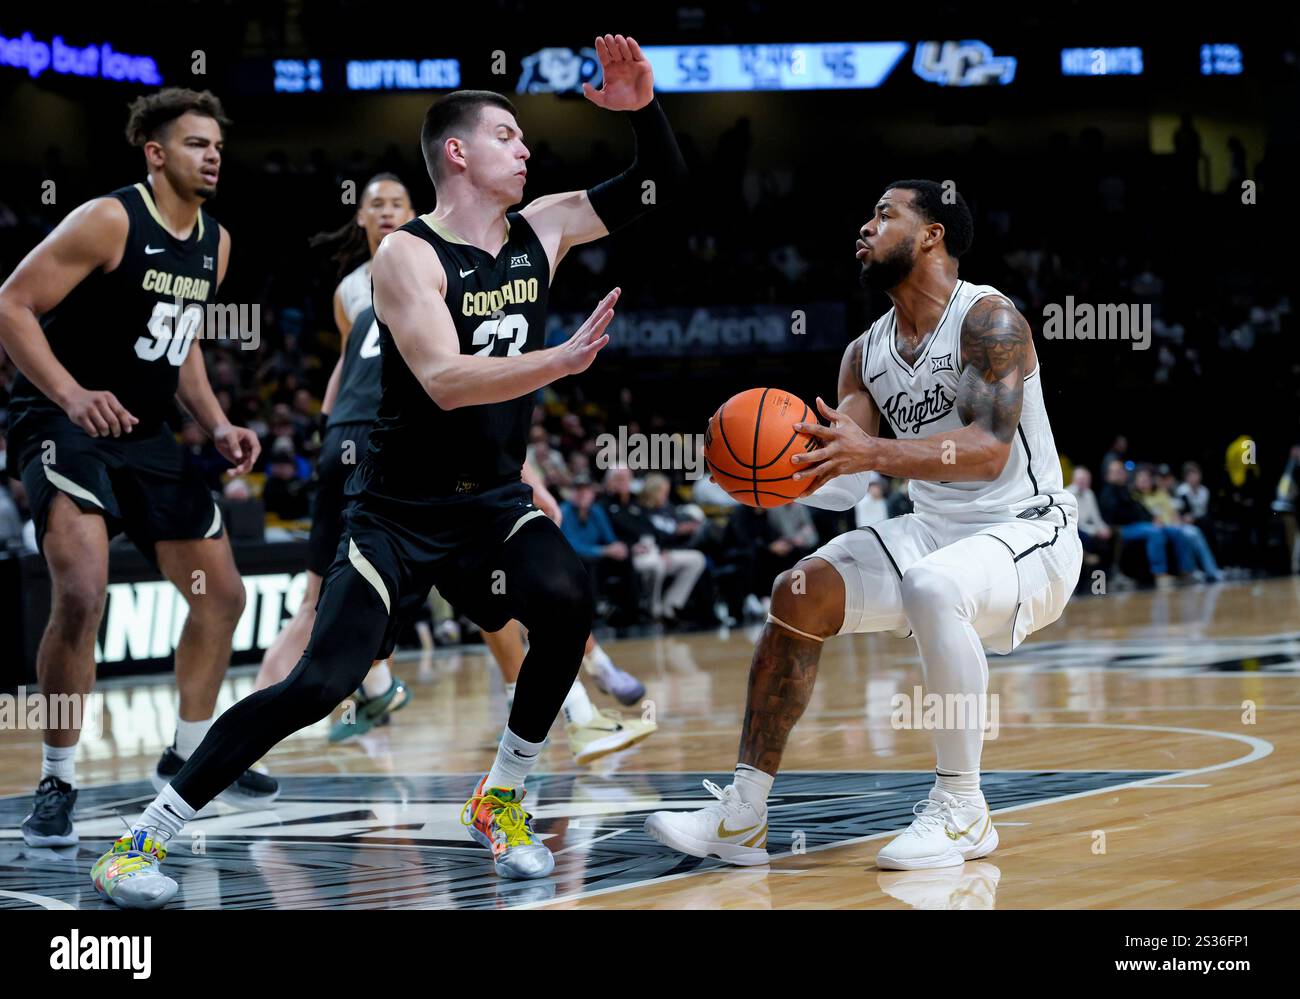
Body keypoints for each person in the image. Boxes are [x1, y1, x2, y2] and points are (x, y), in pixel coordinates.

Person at [90, 34, 686, 906]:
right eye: (508, 136)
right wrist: (558, 362)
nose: (527, 148)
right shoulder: (406, 254)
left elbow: (656, 187)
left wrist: (645, 111)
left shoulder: (545, 227)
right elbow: (445, 380)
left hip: (490, 504)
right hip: (396, 516)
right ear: (458, 152)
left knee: (568, 595)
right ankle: (145, 835)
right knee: (317, 684)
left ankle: (504, 796)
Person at [645, 179, 1082, 871]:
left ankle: (963, 808)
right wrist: (768, 474)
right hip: (935, 531)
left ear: (933, 233)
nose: (865, 226)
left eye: (885, 215)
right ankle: (743, 813)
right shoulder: (863, 352)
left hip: (1030, 529)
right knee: (797, 591)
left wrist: (871, 452)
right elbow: (846, 478)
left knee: (935, 586)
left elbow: (987, 450)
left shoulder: (988, 320)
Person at [0, 88, 277, 850]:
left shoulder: (215, 242)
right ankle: (57, 777)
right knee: (82, 590)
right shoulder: (110, 218)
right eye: (195, 143)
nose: (212, 155)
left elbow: (181, 343)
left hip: (148, 434)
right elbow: (12, 304)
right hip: (64, 421)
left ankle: (186, 759)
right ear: (155, 154)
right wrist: (71, 394)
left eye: (216, 144)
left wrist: (217, 423)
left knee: (221, 596)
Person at [254, 174, 416, 737]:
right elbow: (350, 363)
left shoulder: (427, 262)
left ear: (414, 212)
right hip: (365, 434)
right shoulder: (351, 288)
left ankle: (371, 688)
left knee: (331, 589)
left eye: (399, 203)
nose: (389, 211)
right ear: (362, 218)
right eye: (378, 205)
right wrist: (328, 429)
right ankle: (369, 687)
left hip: (363, 435)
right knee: (368, 578)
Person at [1098, 459, 1190, 587]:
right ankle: (1160, 574)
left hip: (1141, 525)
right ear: (1109, 475)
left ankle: (1184, 571)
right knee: (1155, 532)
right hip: (1123, 528)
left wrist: (1152, 518)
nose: (1120, 474)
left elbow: (1140, 508)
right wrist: (1146, 520)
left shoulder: (1126, 490)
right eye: (1116, 472)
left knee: (1177, 531)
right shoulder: (1108, 493)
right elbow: (1119, 515)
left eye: (1121, 471)